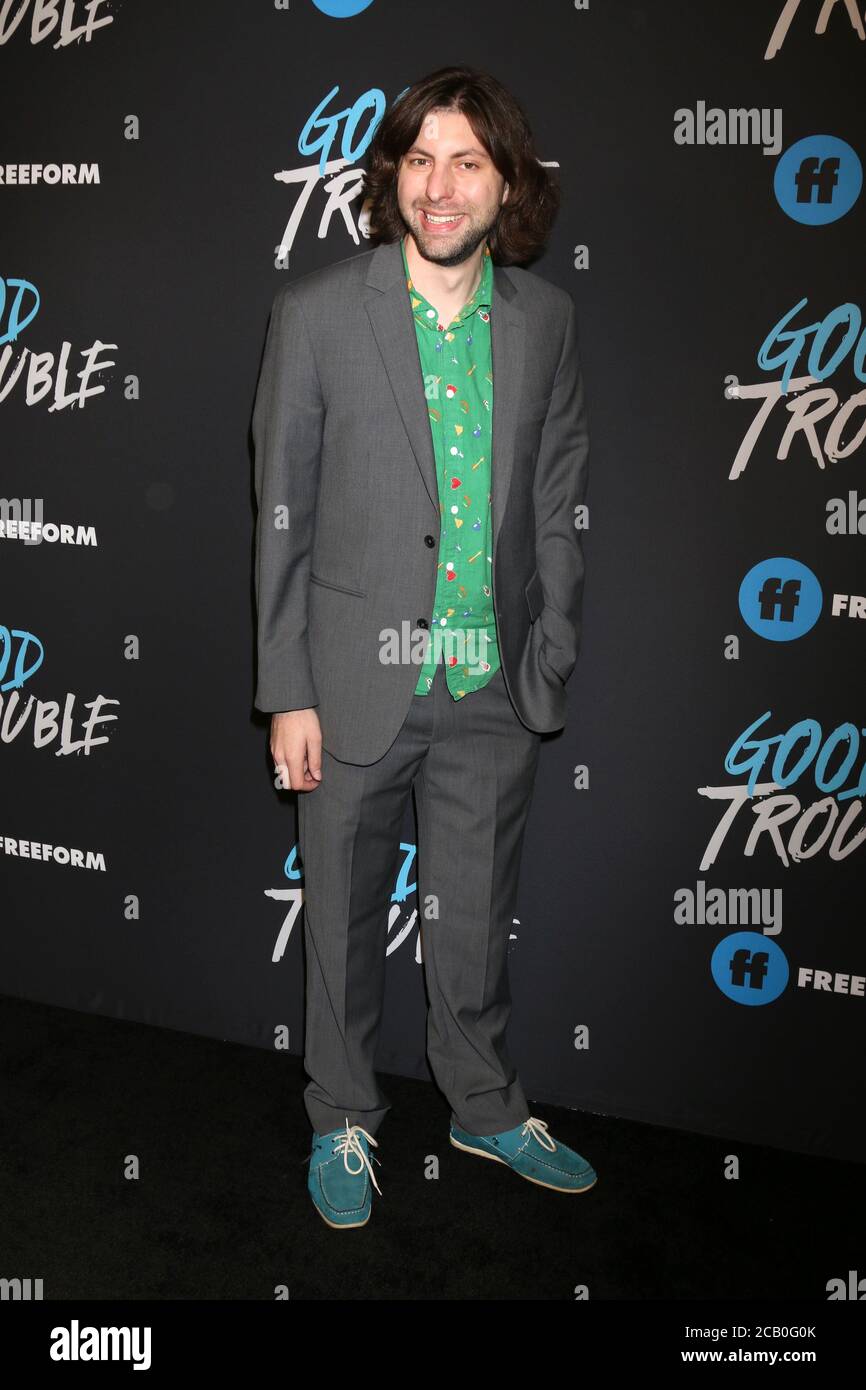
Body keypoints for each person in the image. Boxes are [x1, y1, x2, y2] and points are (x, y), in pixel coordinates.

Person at [251, 65, 595, 1230]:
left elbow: (555, 497)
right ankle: (340, 1115)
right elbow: (279, 515)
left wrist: (544, 653)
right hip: (350, 682)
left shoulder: (544, 320)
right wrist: (285, 687)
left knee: (470, 918)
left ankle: (484, 1107)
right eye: (417, 160)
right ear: (391, 177)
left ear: (506, 188)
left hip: (488, 685)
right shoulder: (316, 313)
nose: (438, 188)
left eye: (465, 162)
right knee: (339, 923)